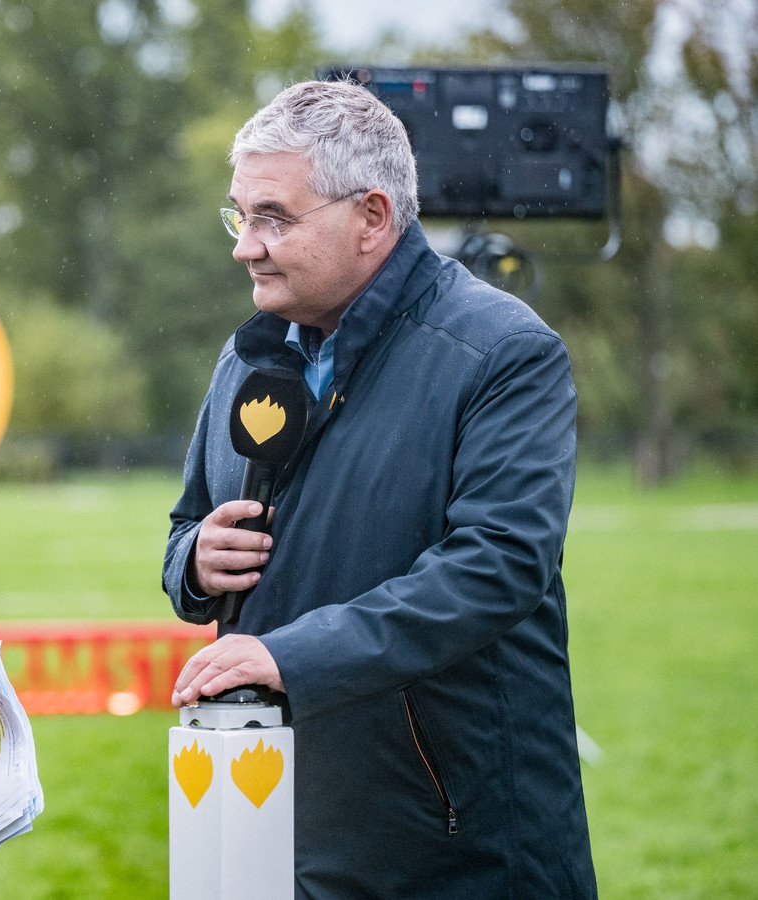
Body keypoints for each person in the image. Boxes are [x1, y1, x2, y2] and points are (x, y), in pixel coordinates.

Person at [164, 81, 597, 898]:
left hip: (452, 842)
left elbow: (496, 565)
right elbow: (187, 521)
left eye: (272, 218)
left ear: (371, 217)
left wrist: (285, 656)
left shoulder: (504, 352)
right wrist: (193, 560)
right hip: (273, 825)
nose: (243, 247)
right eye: (239, 216)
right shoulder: (247, 357)